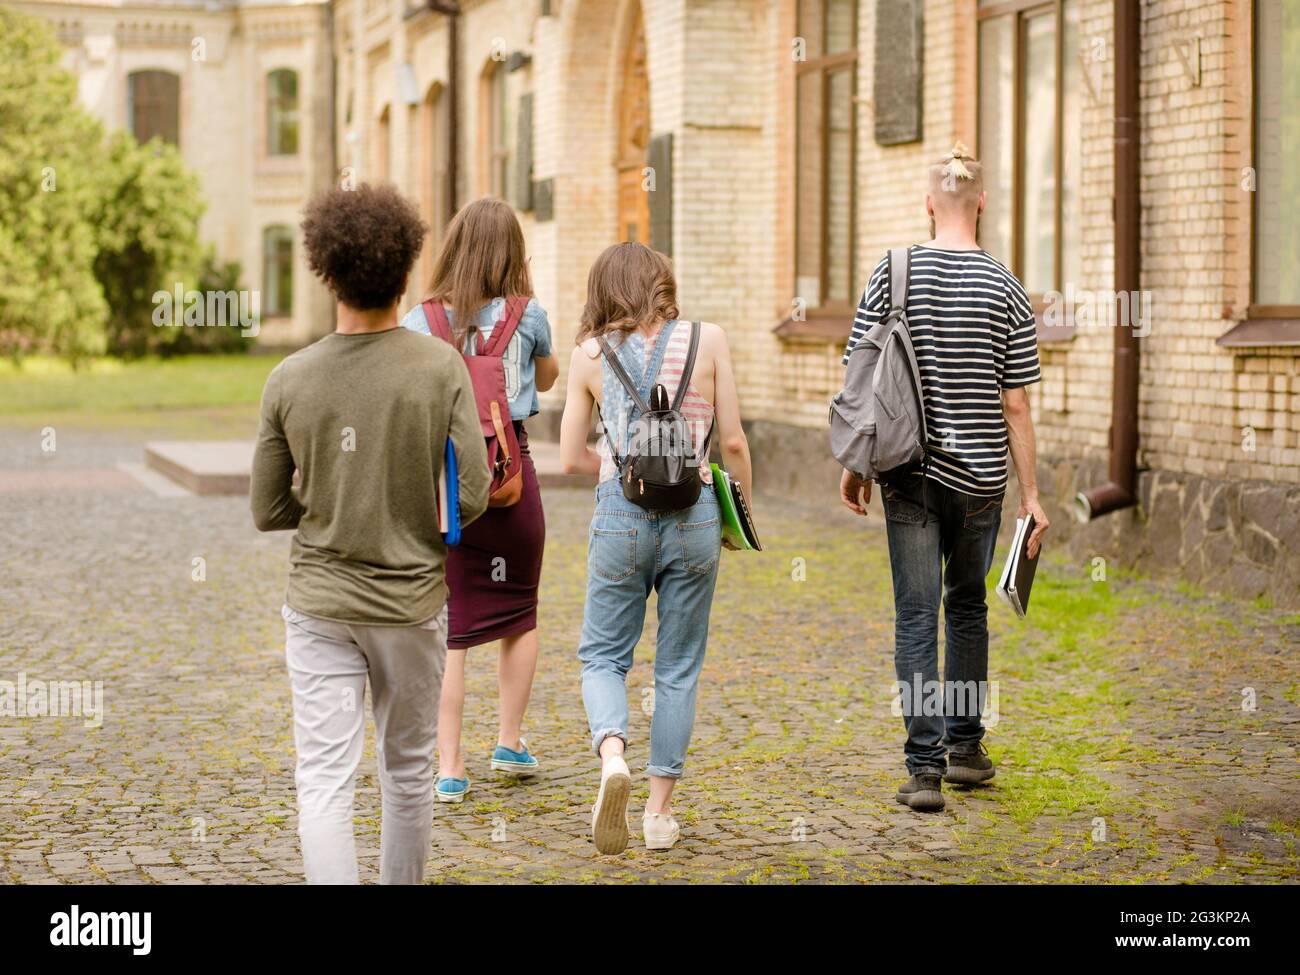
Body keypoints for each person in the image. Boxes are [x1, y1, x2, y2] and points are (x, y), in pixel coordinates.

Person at [251, 184, 491, 883]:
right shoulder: (439, 366)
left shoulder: (289, 378)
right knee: (410, 769)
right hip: (411, 604)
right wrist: (409, 509)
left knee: (323, 777)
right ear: (407, 268)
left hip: (321, 604)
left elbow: (268, 508)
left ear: (325, 270)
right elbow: (472, 492)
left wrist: (330, 506)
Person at [838, 143, 1050, 813]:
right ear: (981, 203)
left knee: (914, 614)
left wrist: (855, 463)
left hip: (908, 470)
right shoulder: (1006, 285)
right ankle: (965, 749)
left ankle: (923, 770)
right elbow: (1016, 402)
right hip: (981, 479)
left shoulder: (891, 271)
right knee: (967, 606)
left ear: (929, 202)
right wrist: (1033, 496)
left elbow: (860, 373)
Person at [559, 242, 752, 854]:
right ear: (663, 284)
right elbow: (736, 443)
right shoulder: (711, 339)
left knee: (603, 656)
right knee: (678, 667)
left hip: (620, 513)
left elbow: (568, 458)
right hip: (694, 511)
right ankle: (658, 814)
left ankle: (612, 754)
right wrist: (736, 516)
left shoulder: (589, 355)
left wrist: (616, 468)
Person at [400, 198, 558, 804]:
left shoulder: (422, 320)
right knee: (520, 610)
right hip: (510, 477)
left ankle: (449, 764)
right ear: (512, 253)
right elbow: (545, 381)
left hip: (447, 486)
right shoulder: (530, 313)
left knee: (452, 624)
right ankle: (510, 742)